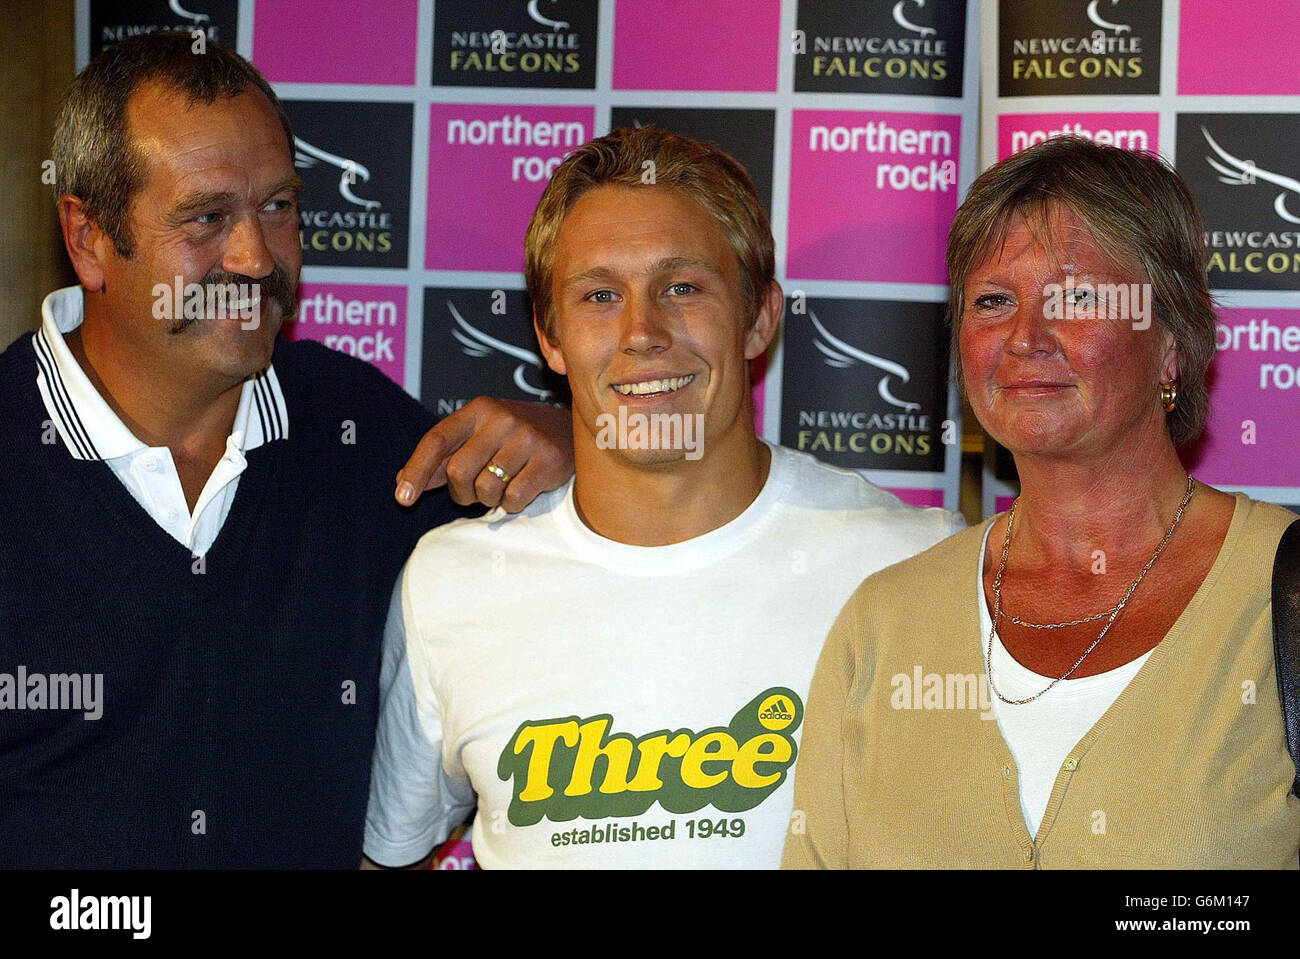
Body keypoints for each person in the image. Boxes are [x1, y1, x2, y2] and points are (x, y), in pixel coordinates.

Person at [0, 33, 573, 868]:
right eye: (206, 218)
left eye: (278, 206)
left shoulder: (364, 430)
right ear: (88, 238)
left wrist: (573, 436)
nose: (256, 258)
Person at [361, 126, 964, 870]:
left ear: (761, 317)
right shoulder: (450, 585)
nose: (642, 331)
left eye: (683, 287)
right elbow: (393, 853)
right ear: (549, 339)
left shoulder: (916, 565)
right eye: (600, 295)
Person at [783, 136, 1300, 869]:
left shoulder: (1280, 596)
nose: (1025, 338)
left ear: (1172, 346)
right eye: (993, 301)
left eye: (1077, 297)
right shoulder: (883, 620)